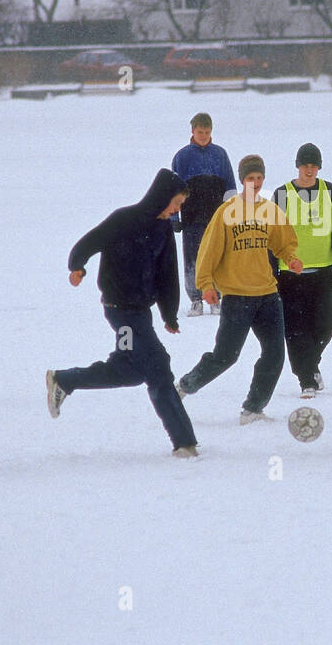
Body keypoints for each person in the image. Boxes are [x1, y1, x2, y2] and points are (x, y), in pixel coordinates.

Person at [45, 169, 200, 458]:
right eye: (176, 203)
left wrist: (169, 314)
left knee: (127, 369)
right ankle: (184, 442)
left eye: (180, 205)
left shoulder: (164, 230)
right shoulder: (123, 219)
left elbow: (168, 274)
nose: (177, 209)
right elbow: (88, 243)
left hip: (140, 314)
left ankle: (64, 379)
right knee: (158, 365)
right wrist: (77, 265)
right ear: (162, 197)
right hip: (121, 314)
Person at [175, 155, 303, 423]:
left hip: (267, 294)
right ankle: (184, 387)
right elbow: (208, 252)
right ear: (242, 180)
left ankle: (253, 408)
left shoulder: (270, 210)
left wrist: (290, 258)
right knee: (225, 356)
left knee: (275, 354)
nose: (255, 183)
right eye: (250, 179)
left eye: (259, 178)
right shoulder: (226, 212)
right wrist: (206, 285)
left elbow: (284, 242)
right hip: (236, 297)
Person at [272, 143, 332, 397]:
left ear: (319, 166)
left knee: (326, 324)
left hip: (322, 272)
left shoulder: (330, 192)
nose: (309, 169)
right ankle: (307, 379)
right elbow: (272, 235)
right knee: (295, 328)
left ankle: (310, 364)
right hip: (289, 274)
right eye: (305, 165)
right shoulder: (282, 194)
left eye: (313, 165)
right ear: (297, 166)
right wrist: (271, 268)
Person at [170, 113, 236, 316]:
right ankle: (196, 299)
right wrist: (174, 218)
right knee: (193, 258)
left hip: (216, 216)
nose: (204, 136)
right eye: (200, 132)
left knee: (218, 256)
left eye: (207, 132)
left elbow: (230, 185)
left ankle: (216, 297)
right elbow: (174, 189)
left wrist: (232, 213)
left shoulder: (220, 155)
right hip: (192, 217)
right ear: (192, 131)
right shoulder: (182, 157)